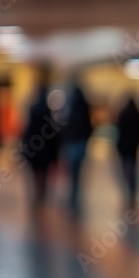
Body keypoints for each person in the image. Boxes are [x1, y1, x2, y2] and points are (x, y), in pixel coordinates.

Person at [21, 86, 61, 203]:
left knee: (34, 173)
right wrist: (55, 154)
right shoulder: (48, 113)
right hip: (46, 151)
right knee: (44, 173)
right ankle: (42, 193)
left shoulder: (32, 111)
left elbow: (27, 132)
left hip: (34, 149)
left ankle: (36, 193)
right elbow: (53, 136)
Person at [62, 83, 92, 212]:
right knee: (77, 171)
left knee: (73, 171)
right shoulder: (84, 107)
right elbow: (89, 127)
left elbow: (65, 127)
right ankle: (75, 196)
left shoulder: (70, 107)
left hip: (73, 143)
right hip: (80, 143)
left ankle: (73, 196)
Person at [115, 97, 139, 207]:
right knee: (132, 168)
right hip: (133, 147)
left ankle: (127, 188)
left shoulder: (123, 113)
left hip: (124, 147)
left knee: (125, 168)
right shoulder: (137, 114)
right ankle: (132, 189)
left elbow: (118, 129)